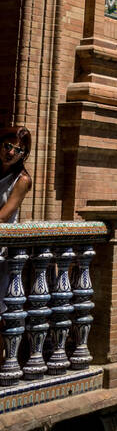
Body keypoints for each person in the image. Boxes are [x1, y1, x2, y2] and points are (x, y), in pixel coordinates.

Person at [0, 125, 32, 314]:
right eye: (7, 146)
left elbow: (3, 216)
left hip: (2, 249)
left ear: (24, 154)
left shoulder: (22, 180)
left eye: (18, 150)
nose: (11, 152)